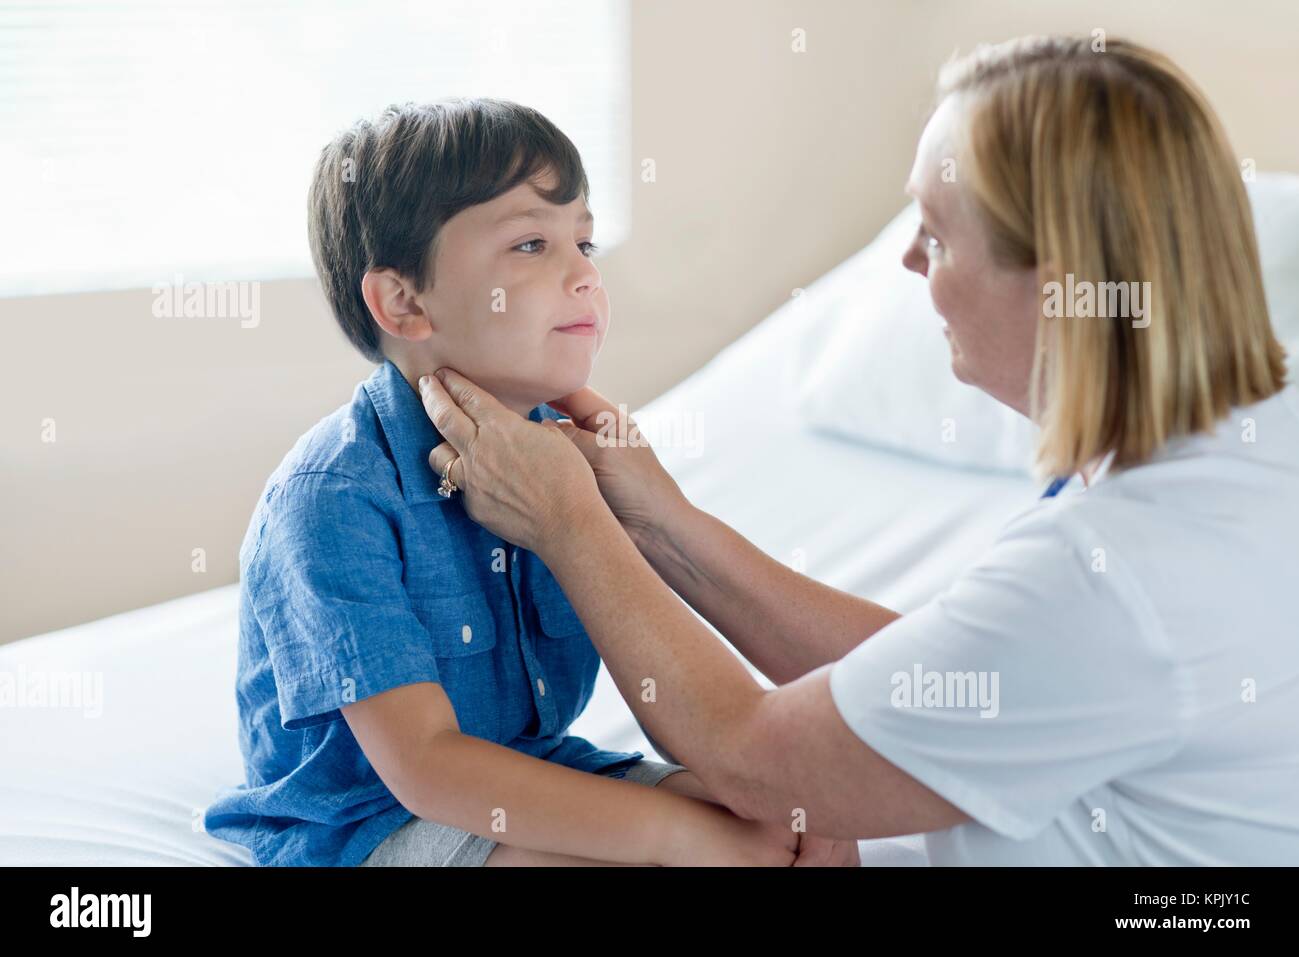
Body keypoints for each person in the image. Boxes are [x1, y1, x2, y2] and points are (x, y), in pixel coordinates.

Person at [418, 37, 1299, 865]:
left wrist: (573, 530)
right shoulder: (1243, 449)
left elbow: (755, 762)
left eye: (941, 235)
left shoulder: (1112, 575)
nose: (908, 261)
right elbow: (961, 679)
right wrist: (662, 523)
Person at [203, 97, 852, 866]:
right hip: (372, 821)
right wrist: (676, 835)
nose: (584, 274)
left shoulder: (571, 461)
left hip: (540, 766)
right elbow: (428, 765)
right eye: (533, 243)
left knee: (803, 823)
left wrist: (729, 815)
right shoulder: (332, 497)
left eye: (585, 239)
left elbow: (680, 695)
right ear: (404, 301)